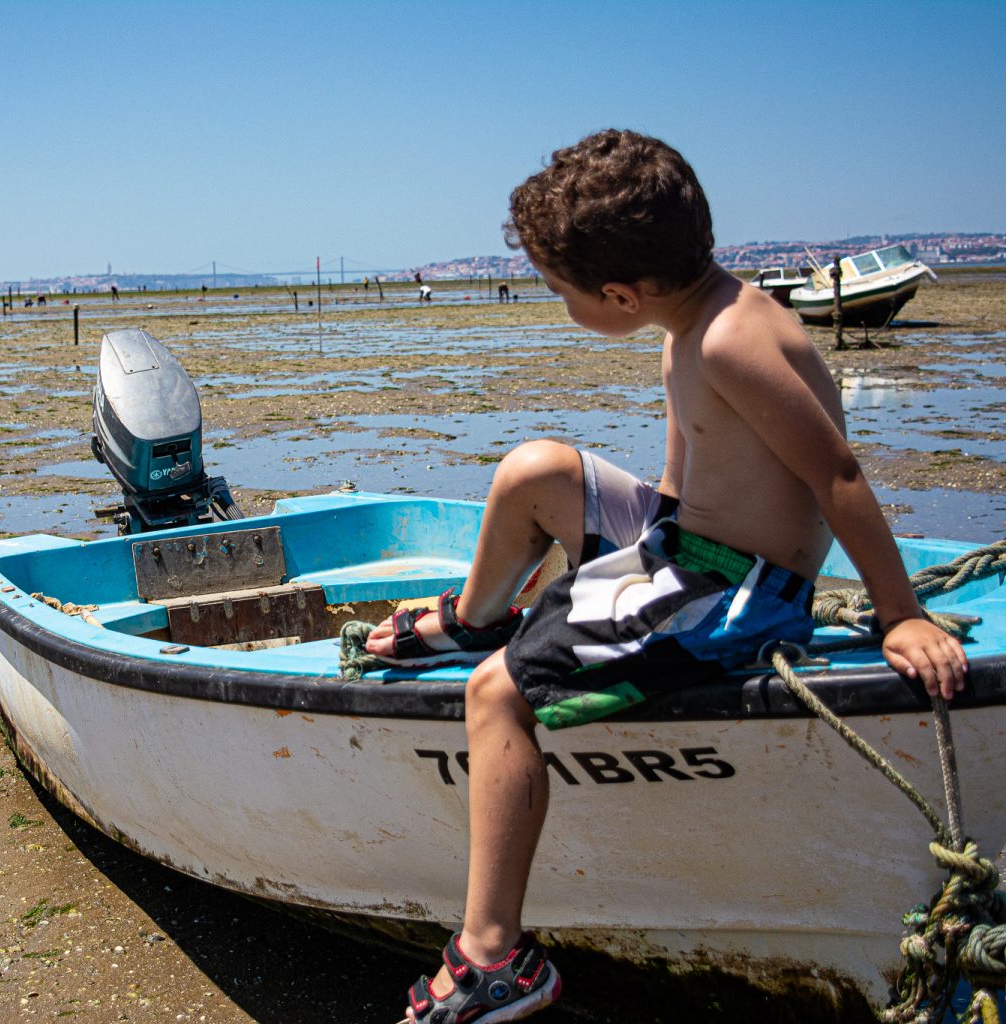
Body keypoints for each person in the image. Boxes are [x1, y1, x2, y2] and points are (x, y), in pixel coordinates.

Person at [365, 128, 968, 1023]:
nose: (569, 309)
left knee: (496, 696)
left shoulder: (730, 343)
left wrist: (899, 614)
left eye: (568, 296)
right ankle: (480, 615)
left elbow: (836, 476)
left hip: (734, 587)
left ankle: (495, 958)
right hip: (683, 541)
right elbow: (681, 490)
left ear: (618, 291)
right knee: (535, 469)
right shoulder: (690, 321)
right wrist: (614, 559)